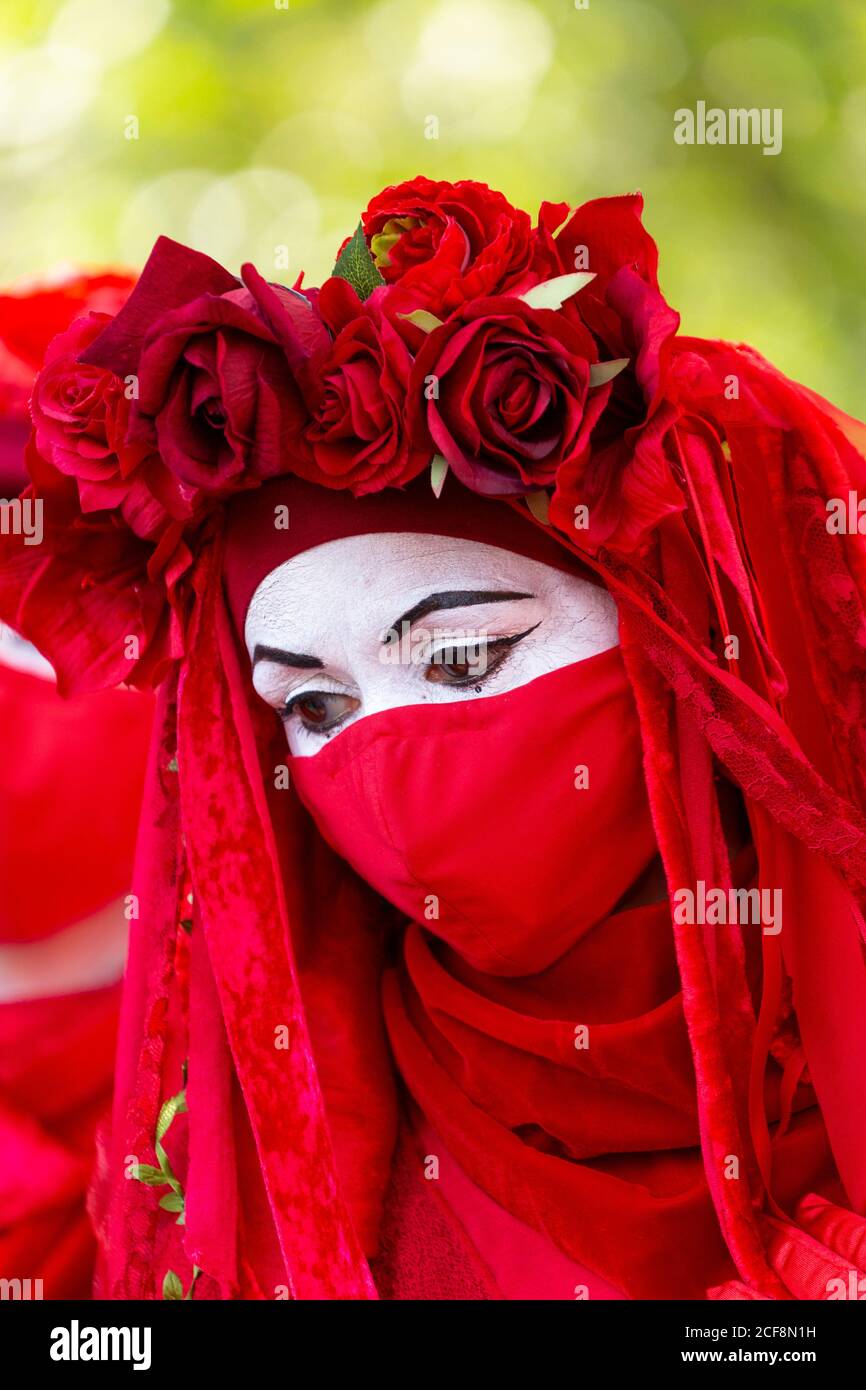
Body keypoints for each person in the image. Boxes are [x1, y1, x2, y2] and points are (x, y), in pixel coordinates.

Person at [3, 178, 866, 1300]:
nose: (387, 766)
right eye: (312, 707)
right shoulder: (293, 1154)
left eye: (457, 659)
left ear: (668, 633)